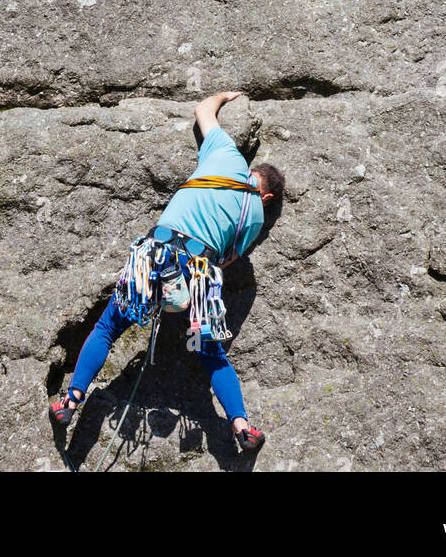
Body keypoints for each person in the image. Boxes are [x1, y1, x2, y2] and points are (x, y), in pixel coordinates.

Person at [50, 90, 285, 452]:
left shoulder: (227, 155)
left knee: (108, 327)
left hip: (155, 258)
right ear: (267, 197)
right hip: (196, 280)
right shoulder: (253, 218)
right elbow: (225, 261)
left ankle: (71, 401)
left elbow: (203, 110)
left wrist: (224, 95)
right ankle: (240, 424)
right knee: (209, 353)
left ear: (252, 173)